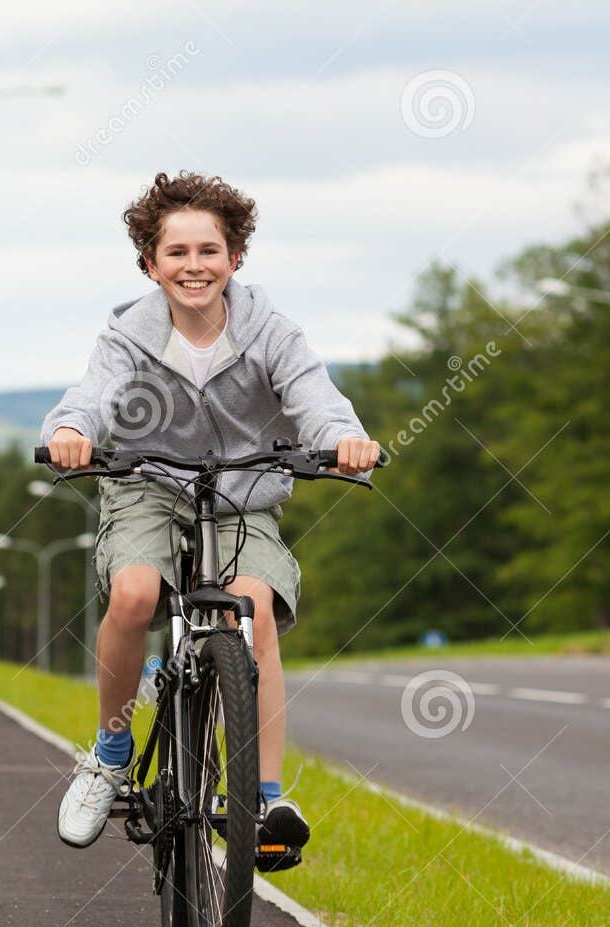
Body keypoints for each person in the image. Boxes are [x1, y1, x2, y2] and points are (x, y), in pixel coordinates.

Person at [40, 170, 379, 859]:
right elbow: (89, 398)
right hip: (148, 486)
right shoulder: (127, 336)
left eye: (209, 251)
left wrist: (345, 439)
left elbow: (316, 398)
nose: (194, 266)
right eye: (177, 253)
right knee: (135, 593)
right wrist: (71, 432)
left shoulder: (272, 332)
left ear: (235, 258)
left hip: (243, 492)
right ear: (150, 264)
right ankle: (108, 753)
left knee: (248, 613)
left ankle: (264, 797)